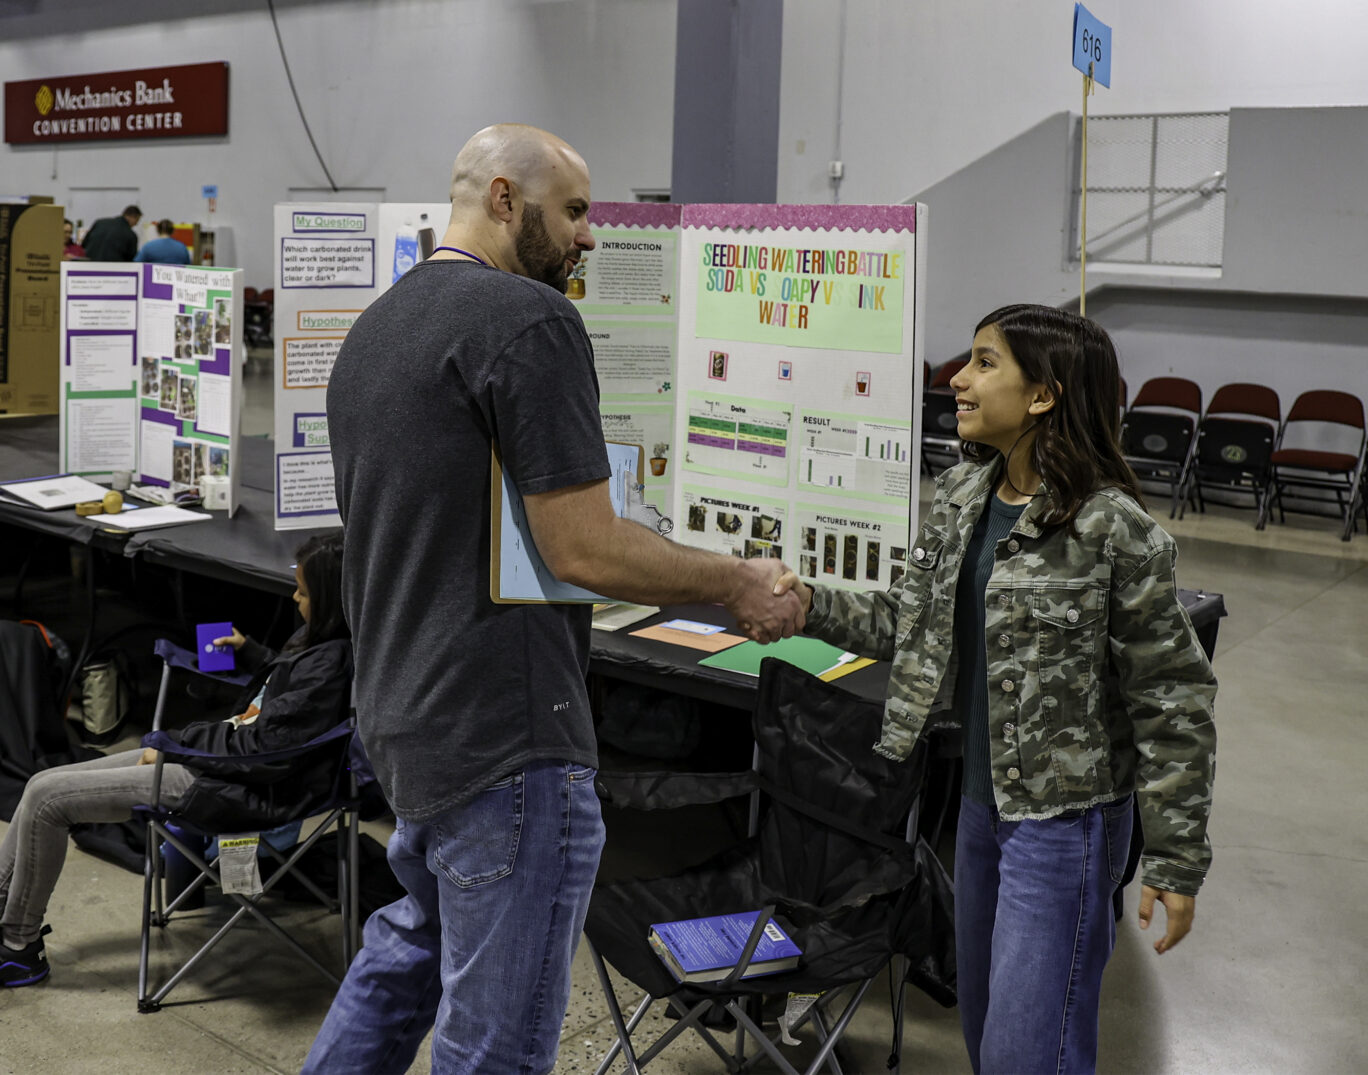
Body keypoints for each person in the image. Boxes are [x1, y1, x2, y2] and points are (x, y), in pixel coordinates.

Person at [307, 124, 803, 1074]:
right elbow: (584, 545)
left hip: (407, 718)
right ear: (505, 198)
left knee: (407, 956)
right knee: (494, 1043)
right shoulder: (528, 322)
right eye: (574, 210)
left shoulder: (376, 330)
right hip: (508, 740)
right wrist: (738, 580)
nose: (587, 236)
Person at [777, 304, 1217, 1074]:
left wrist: (1176, 857)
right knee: (987, 1036)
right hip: (982, 814)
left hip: (1065, 823)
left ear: (1042, 395)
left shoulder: (1113, 528)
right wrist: (803, 606)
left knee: (1027, 1052)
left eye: (984, 362)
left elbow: (1172, 694)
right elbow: (909, 623)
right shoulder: (960, 497)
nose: (958, 378)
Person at [0, 532, 352, 988]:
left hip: (238, 786)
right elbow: (283, 706)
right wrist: (253, 655)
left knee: (49, 800)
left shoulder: (332, 662)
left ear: (328, 599)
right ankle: (7, 923)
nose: (294, 597)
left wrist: (175, 743)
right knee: (41, 783)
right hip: (223, 762)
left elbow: (263, 752)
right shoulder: (320, 642)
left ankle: (18, 947)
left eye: (303, 591)